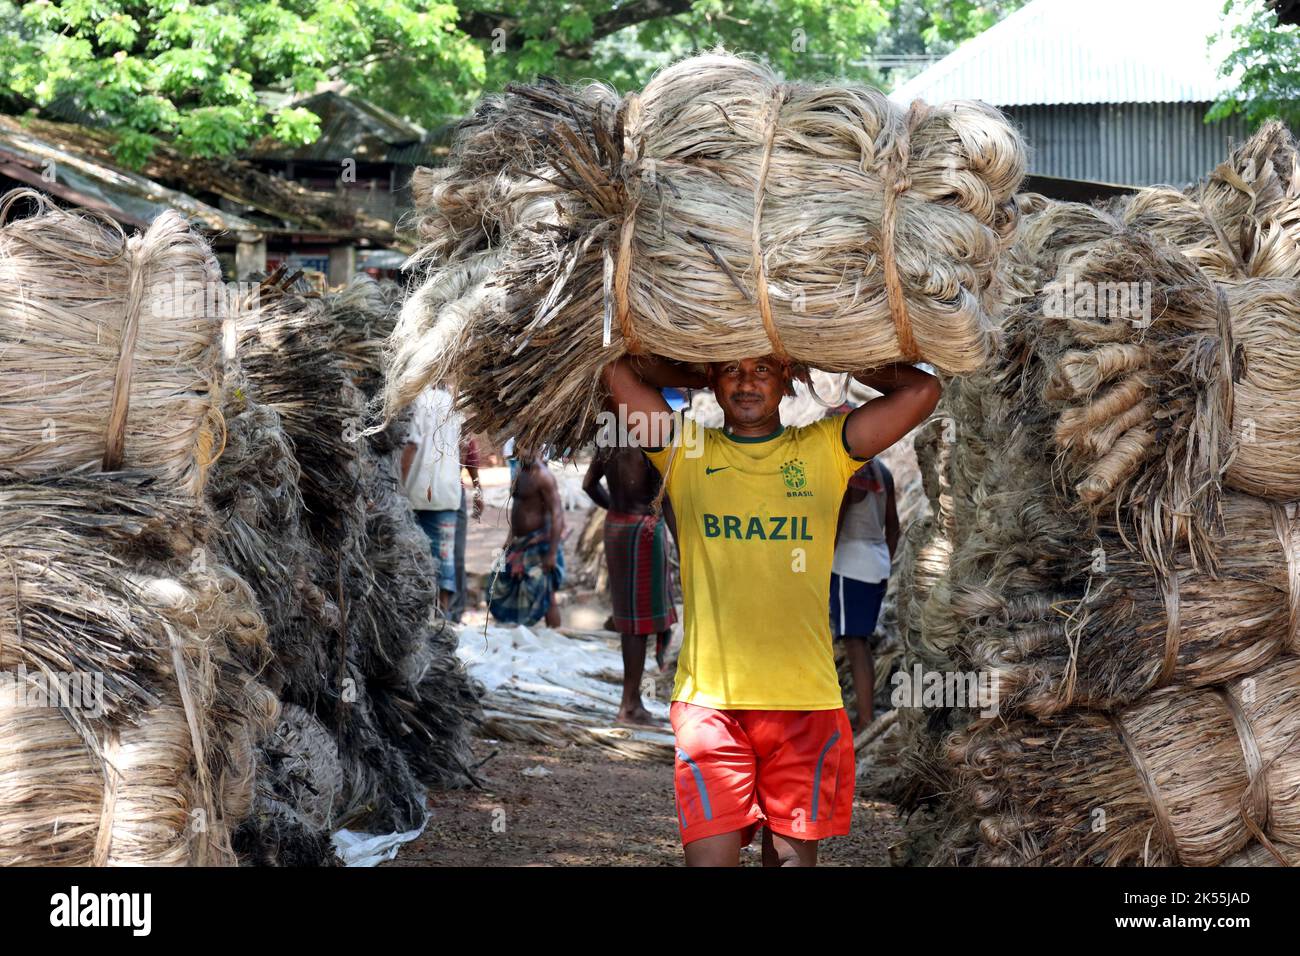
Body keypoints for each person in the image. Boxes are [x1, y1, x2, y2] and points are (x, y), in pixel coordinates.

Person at [602, 353, 939, 867]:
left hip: (802, 704)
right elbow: (618, 371)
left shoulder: (827, 449)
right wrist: (703, 368)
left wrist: (825, 355)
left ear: (787, 380)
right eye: (731, 371)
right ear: (714, 383)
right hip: (711, 702)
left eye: (762, 369)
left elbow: (921, 392)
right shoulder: (683, 450)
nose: (745, 383)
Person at [583, 445, 677, 725]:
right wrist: (683, 546)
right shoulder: (653, 443)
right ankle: (630, 704)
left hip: (617, 526)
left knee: (630, 620)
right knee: (638, 624)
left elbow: (589, 485)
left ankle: (631, 700)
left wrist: (614, 507)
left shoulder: (609, 441)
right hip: (643, 530)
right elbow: (667, 499)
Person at [830, 457, 898, 732]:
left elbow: (834, 527)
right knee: (862, 642)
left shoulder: (849, 472)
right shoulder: (881, 470)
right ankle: (866, 713)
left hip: (850, 563)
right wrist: (884, 562)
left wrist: (819, 565)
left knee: (855, 644)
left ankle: (866, 717)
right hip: (876, 562)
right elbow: (894, 528)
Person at [402, 384, 473, 614]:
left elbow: (412, 445)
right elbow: (465, 445)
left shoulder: (417, 400)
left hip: (418, 491)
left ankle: (421, 612)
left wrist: (399, 485)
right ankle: (443, 613)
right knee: (445, 555)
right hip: (448, 492)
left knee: (415, 554)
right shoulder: (454, 401)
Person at [489, 452, 566, 627]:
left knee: (548, 594)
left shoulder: (543, 476)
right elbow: (518, 507)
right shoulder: (517, 471)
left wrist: (552, 553)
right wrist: (509, 540)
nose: (526, 451)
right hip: (519, 542)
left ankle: (554, 637)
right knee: (501, 580)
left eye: (531, 447)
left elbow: (557, 514)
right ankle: (516, 630)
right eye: (522, 447)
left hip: (540, 542)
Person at [449, 435, 485, 623]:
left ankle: (454, 611)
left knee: (456, 554)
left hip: (454, 494)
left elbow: (471, 461)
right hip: (428, 493)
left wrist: (478, 492)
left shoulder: (461, 427)